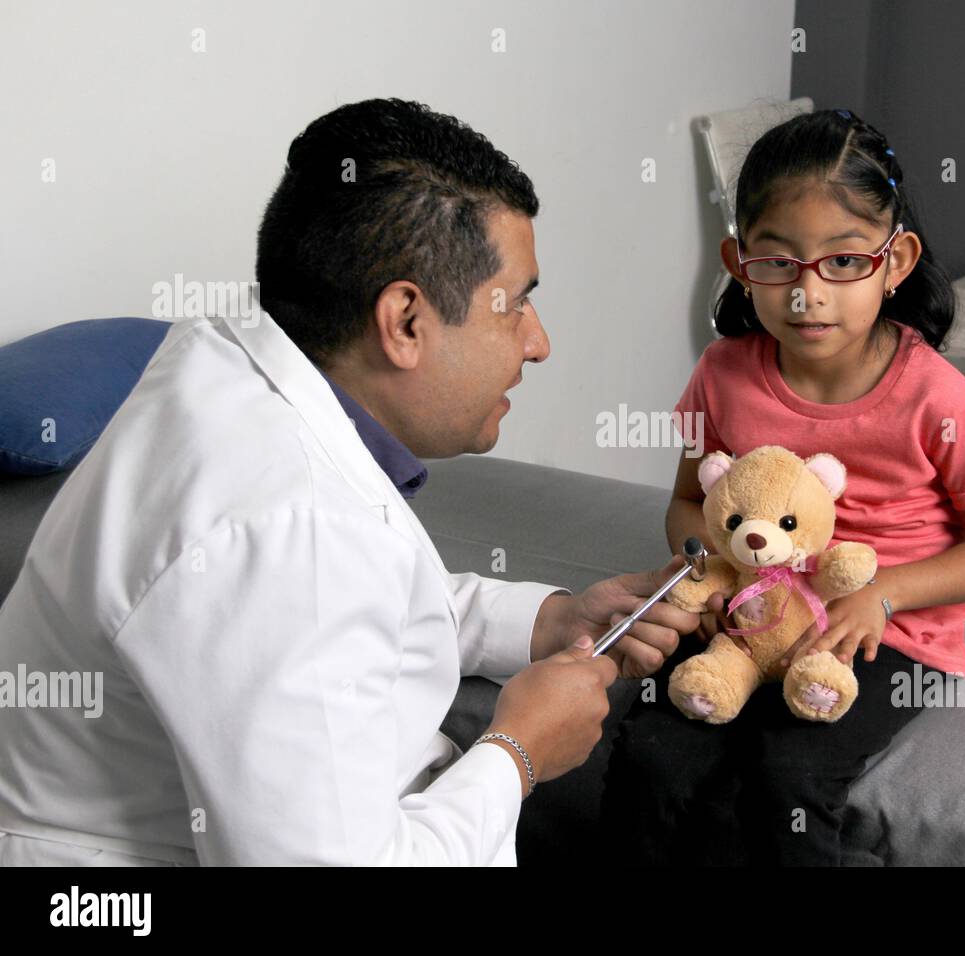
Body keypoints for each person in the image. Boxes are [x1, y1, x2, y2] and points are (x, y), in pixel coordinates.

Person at [0, 98, 700, 866]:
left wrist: (552, 619)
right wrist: (519, 753)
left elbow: (367, 601)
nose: (539, 344)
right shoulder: (284, 528)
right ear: (404, 321)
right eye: (516, 305)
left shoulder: (226, 365)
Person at [598, 108, 965, 865]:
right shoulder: (723, 373)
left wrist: (881, 594)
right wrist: (701, 571)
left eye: (842, 262)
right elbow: (688, 505)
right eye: (779, 263)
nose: (809, 294)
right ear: (740, 263)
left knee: (787, 775)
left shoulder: (940, 400)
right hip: (747, 610)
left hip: (880, 628)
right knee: (653, 755)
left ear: (896, 262)